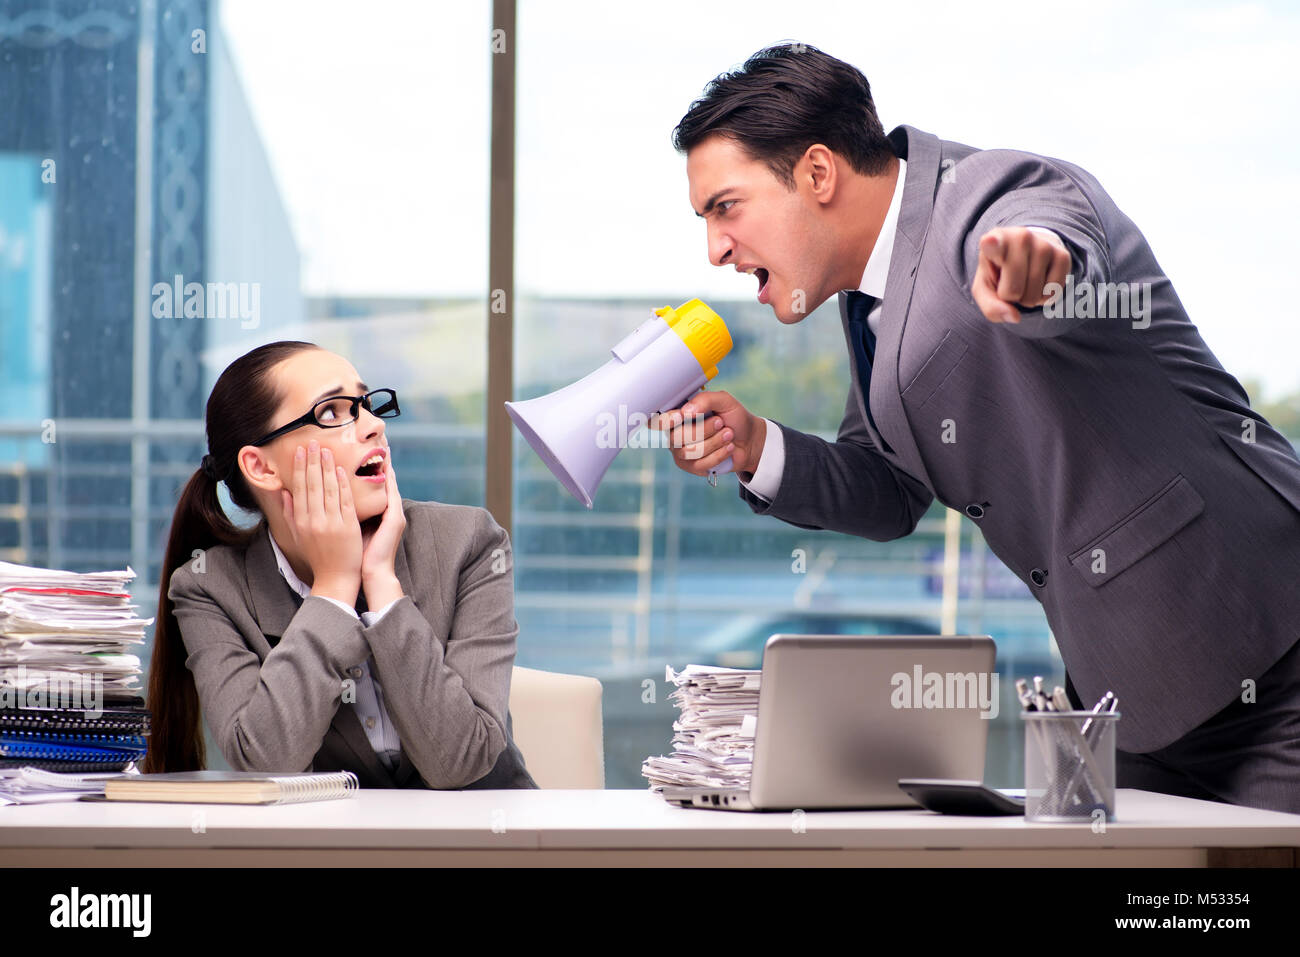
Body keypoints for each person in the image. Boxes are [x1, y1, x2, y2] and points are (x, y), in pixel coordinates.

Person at [657, 44, 1300, 813]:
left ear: (818, 173)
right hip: (1131, 695)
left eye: (725, 207)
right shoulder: (867, 305)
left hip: (1267, 646)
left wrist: (1034, 272)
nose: (715, 249)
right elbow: (892, 492)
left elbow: (1051, 247)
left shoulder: (991, 194)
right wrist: (756, 445)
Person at [145, 340, 537, 789]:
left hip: (484, 832)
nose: (374, 426)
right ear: (262, 467)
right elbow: (266, 763)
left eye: (365, 404)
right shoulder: (208, 588)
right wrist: (333, 587)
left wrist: (382, 584)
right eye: (331, 412)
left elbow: (461, 760)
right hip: (333, 836)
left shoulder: (470, 542)